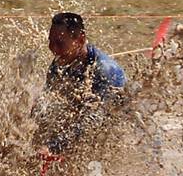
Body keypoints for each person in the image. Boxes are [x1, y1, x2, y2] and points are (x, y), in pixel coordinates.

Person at [37, 12, 129, 154]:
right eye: (50, 42)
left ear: (80, 40)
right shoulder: (60, 64)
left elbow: (93, 122)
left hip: (121, 131)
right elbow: (48, 101)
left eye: (60, 43)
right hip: (88, 120)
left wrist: (53, 147)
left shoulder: (105, 72)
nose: (53, 49)